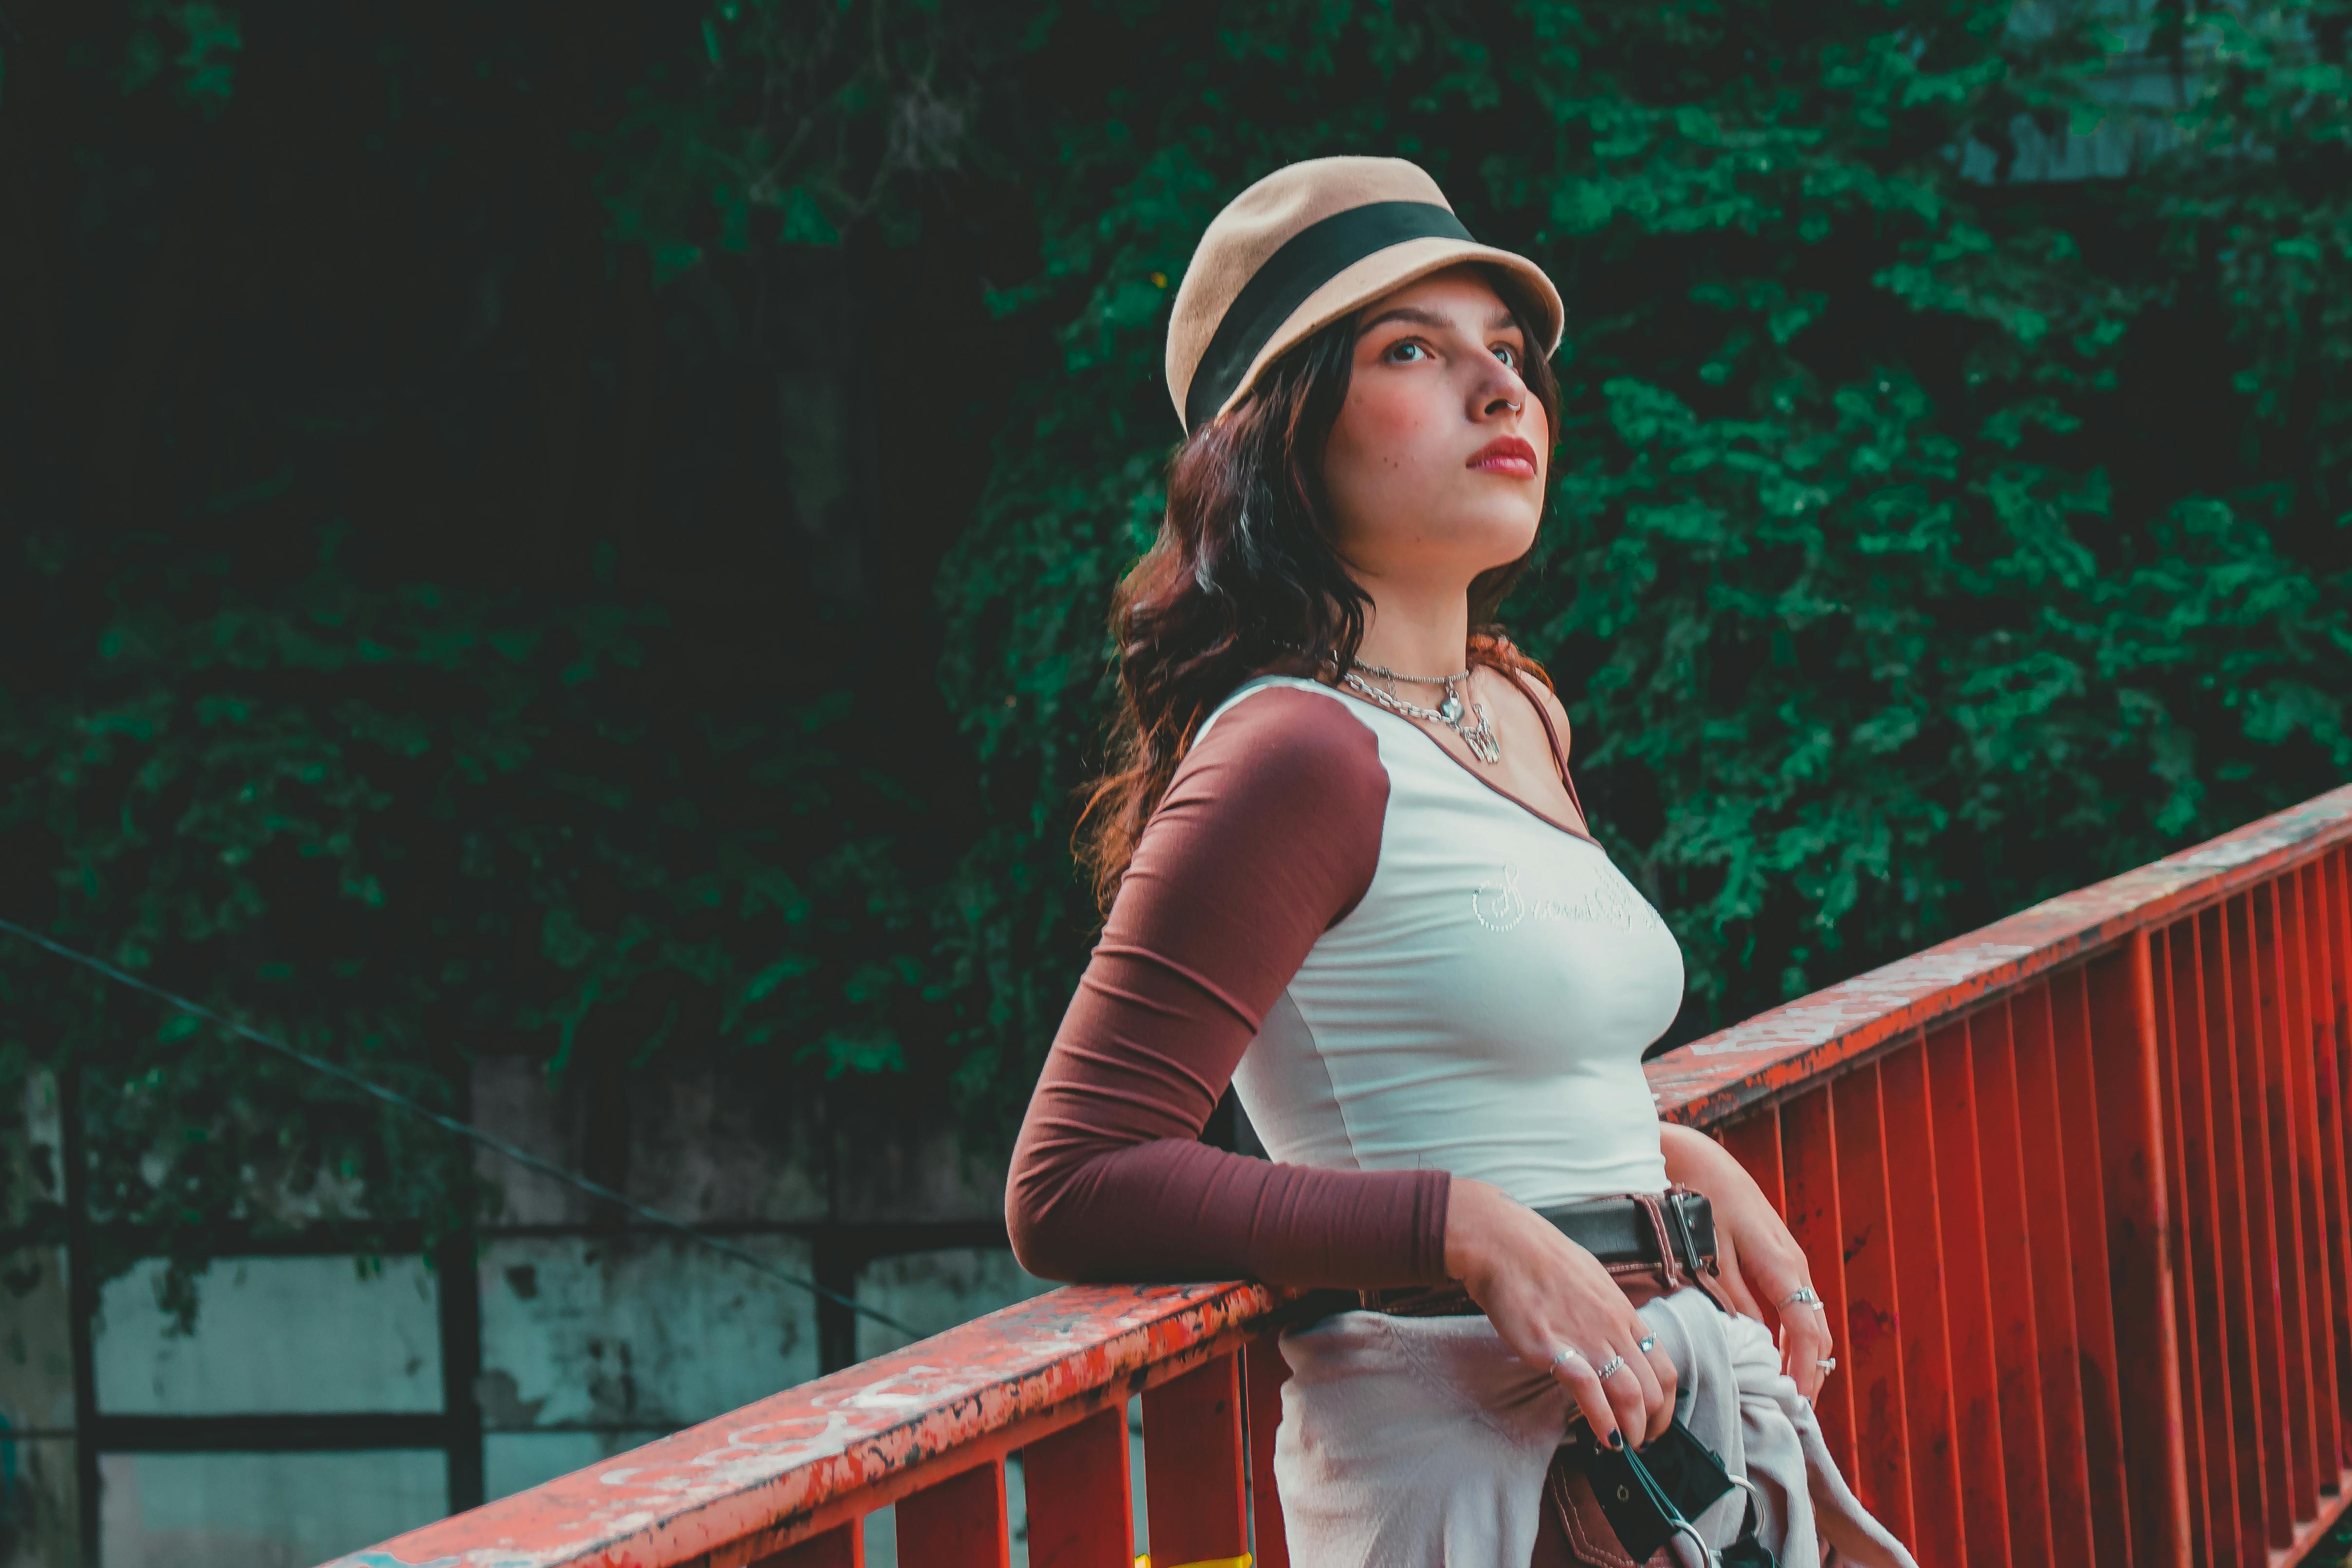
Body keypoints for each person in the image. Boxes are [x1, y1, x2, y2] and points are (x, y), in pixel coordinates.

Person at [1006, 156, 1916, 1568]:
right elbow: (1074, 1179)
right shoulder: (1294, 752)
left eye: (1508, 352)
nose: (1503, 390)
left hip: (1662, 1441)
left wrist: (1668, 1166)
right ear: (1282, 433)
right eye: (1414, 351)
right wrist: (1461, 1228)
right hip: (1492, 1484)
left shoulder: (1516, 707)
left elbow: (1482, 1074)